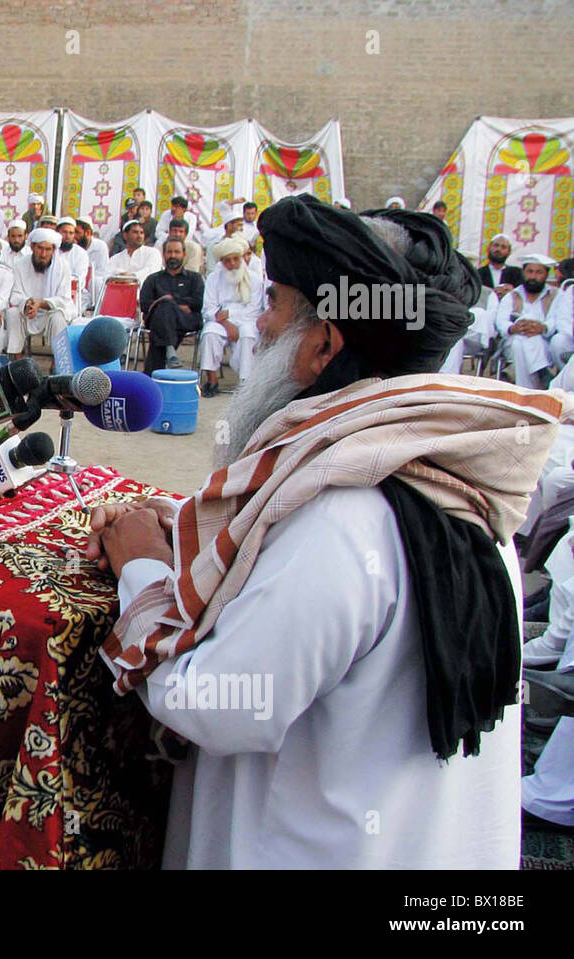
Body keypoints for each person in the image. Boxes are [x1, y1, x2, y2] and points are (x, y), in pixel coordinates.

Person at [87, 193, 548, 869]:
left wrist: (145, 568)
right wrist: (198, 526)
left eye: (273, 301)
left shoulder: (340, 518)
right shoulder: (454, 480)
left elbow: (214, 702)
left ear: (324, 344)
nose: (257, 322)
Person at [199, 235, 268, 396]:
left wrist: (230, 315)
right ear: (221, 262)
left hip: (247, 320)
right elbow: (208, 308)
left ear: (242, 258)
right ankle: (212, 380)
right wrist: (226, 323)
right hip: (220, 321)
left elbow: (255, 309)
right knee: (209, 333)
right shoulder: (214, 278)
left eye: (235, 259)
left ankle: (245, 382)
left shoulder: (254, 279)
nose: (232, 264)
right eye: (227, 261)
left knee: (248, 335)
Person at [4, 227, 76, 367]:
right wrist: (28, 304)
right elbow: (15, 295)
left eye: (48, 249)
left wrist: (41, 303)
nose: (43, 254)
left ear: (54, 250)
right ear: (32, 247)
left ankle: (59, 365)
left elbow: (63, 299)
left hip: (50, 312)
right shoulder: (20, 265)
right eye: (40, 248)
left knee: (58, 317)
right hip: (28, 312)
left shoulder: (62, 268)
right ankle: (18, 364)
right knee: (12, 313)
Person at [491, 253, 559, 388]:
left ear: (546, 274)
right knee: (518, 341)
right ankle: (541, 374)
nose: (533, 276)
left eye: (539, 272)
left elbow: (556, 319)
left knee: (522, 343)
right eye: (530, 271)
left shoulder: (555, 295)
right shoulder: (512, 295)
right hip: (511, 342)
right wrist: (513, 328)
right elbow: (501, 321)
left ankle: (525, 389)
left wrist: (543, 328)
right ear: (523, 273)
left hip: (544, 342)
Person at [138, 237, 205, 374]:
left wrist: (168, 303)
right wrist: (179, 304)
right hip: (158, 322)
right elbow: (145, 305)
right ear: (164, 254)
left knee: (165, 306)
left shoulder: (195, 278)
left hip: (186, 321)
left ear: (184, 254)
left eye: (176, 252)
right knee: (163, 311)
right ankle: (170, 351)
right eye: (169, 252)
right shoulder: (153, 279)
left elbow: (197, 303)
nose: (172, 255)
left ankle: (152, 372)